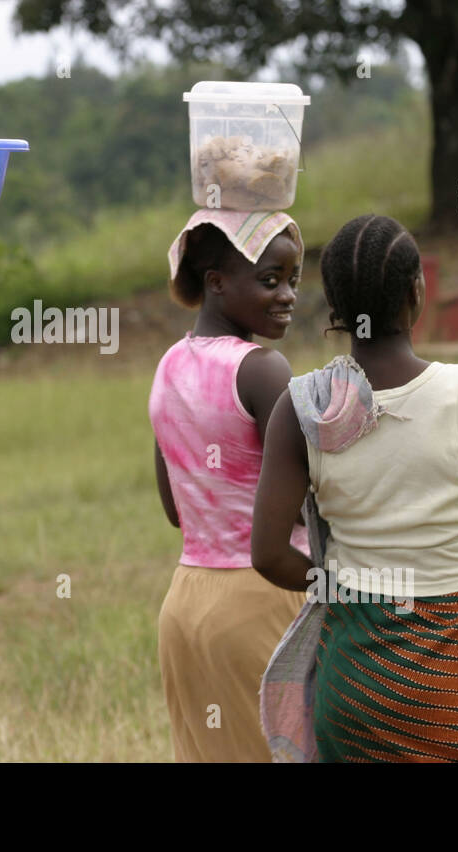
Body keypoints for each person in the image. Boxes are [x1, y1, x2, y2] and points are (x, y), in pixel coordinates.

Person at [252, 214, 458, 762]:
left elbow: (266, 554)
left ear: (333, 303)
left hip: (358, 676)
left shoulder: (303, 408)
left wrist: (338, 586)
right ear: (417, 291)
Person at [149, 209, 310, 762]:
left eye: (292, 280)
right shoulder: (264, 370)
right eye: (270, 280)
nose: (287, 295)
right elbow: (303, 507)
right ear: (215, 283)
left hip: (187, 604)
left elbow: (175, 508)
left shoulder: (169, 366)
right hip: (265, 593)